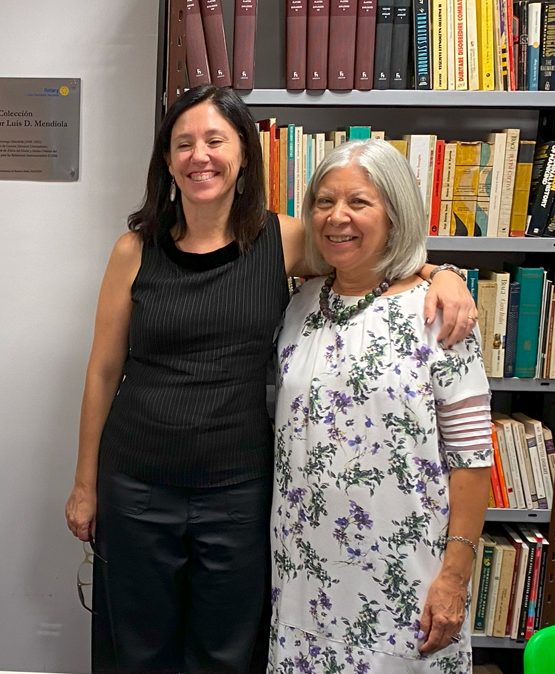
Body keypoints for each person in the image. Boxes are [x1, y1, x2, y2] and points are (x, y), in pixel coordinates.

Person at [64, 85, 476, 674]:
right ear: (166, 160)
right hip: (135, 484)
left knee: (226, 653)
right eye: (183, 143)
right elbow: (103, 371)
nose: (198, 156)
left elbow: (367, 248)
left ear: (243, 156)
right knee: (135, 650)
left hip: (239, 491)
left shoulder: (281, 241)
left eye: (214, 140)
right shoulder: (135, 250)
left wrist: (444, 272)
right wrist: (85, 485)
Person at [270, 139, 492, 674]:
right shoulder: (299, 304)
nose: (336, 217)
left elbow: (472, 456)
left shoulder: (439, 314)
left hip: (403, 577)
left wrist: (455, 577)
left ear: (395, 213)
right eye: (324, 202)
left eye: (359, 202)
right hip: (302, 578)